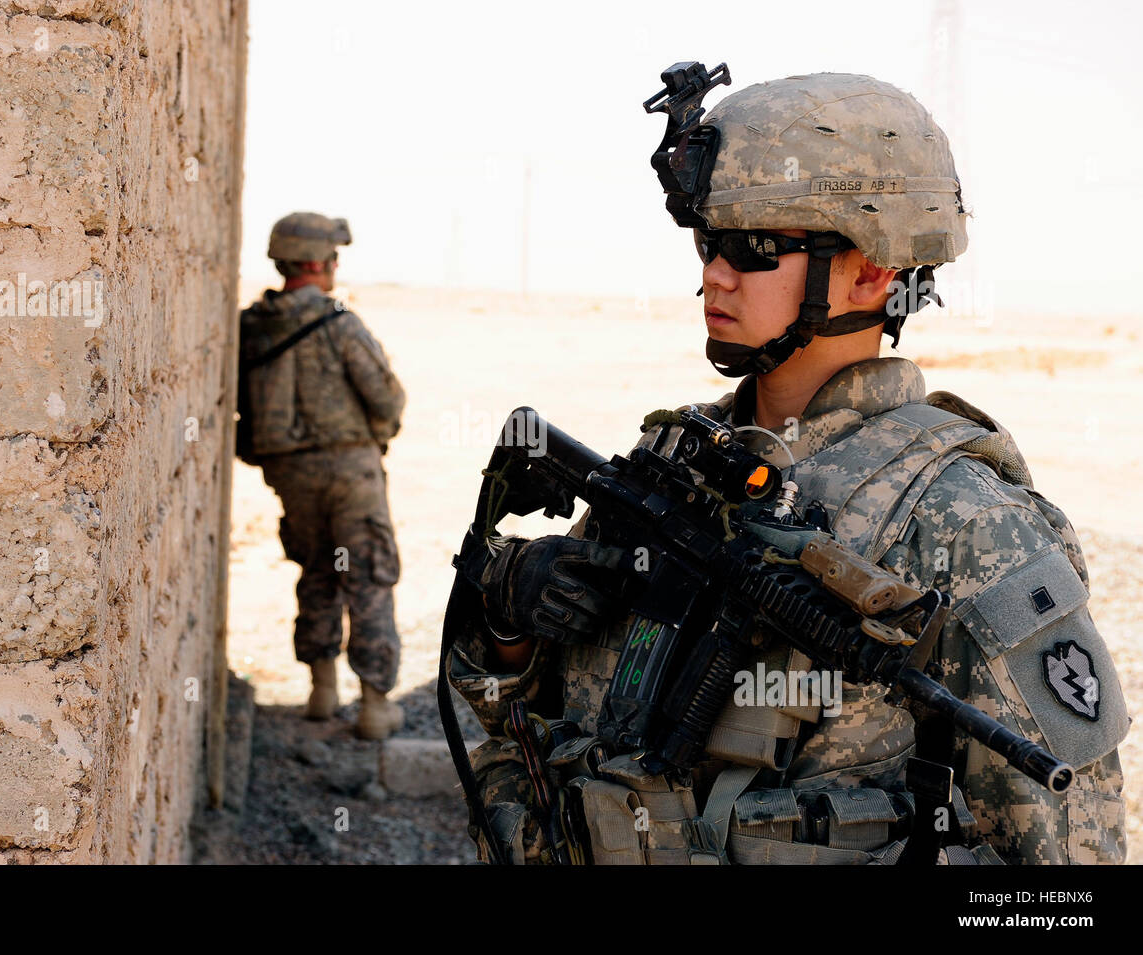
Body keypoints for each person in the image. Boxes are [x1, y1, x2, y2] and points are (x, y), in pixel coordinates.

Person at [446, 71, 1128, 863]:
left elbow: (1070, 868)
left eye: (756, 249)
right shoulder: (675, 461)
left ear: (871, 271)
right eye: (710, 244)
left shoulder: (969, 524)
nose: (716, 274)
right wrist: (509, 618)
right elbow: (519, 724)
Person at [241, 212, 407, 739]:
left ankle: (322, 691)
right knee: (368, 577)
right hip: (350, 475)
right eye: (333, 257)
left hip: (292, 477)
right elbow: (386, 401)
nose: (336, 266)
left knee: (317, 571)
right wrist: (375, 435)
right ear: (316, 263)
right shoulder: (340, 324)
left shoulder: (249, 327)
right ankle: (375, 707)